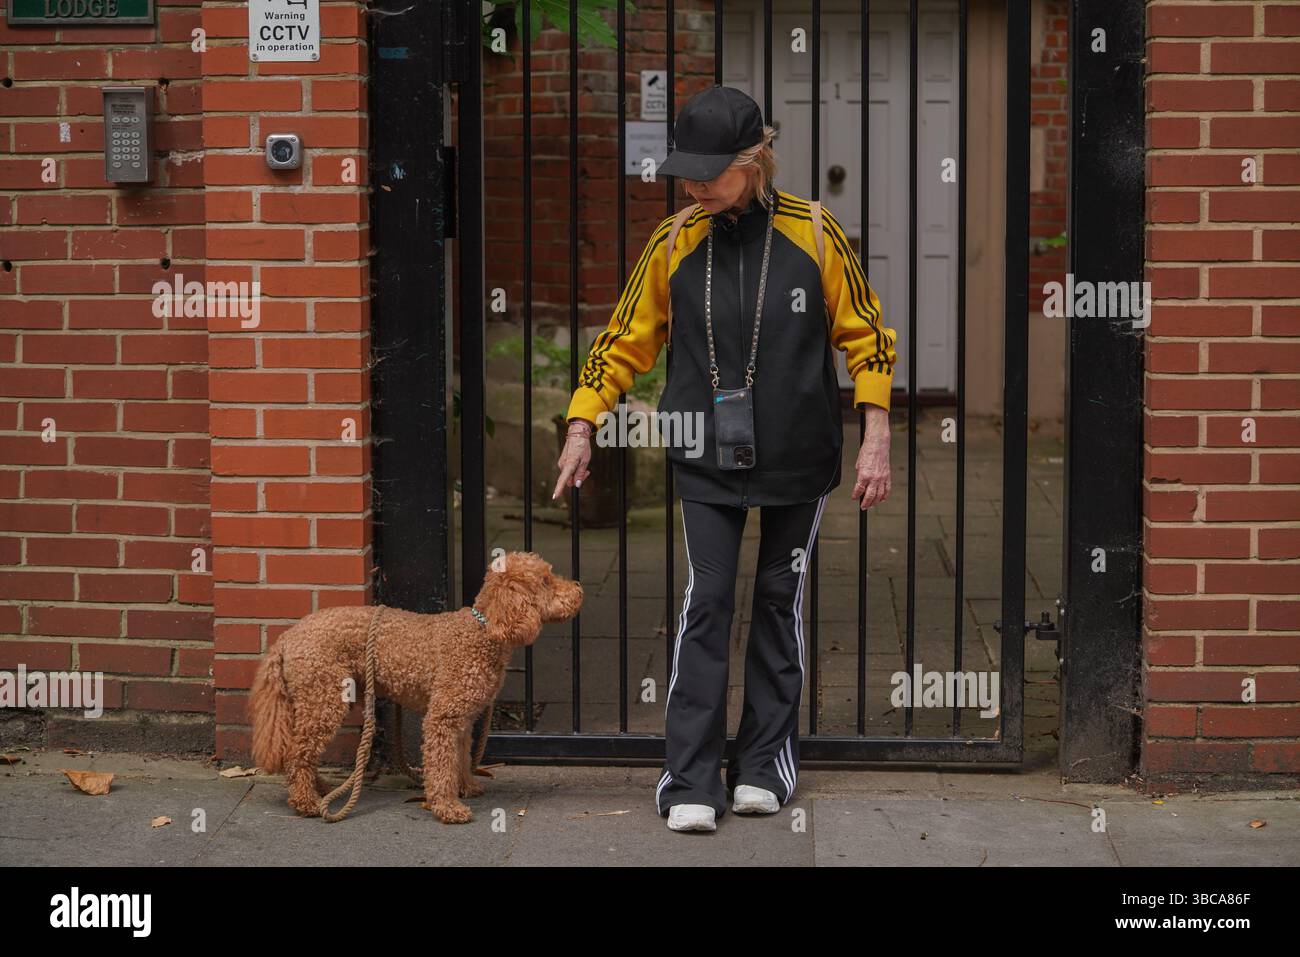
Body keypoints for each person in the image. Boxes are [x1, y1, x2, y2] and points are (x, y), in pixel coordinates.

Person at [553, 85, 897, 832]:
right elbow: (623, 341)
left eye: (711, 171)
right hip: (704, 454)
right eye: (687, 171)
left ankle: (767, 758)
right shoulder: (674, 240)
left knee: (779, 601)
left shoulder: (814, 232)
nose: (694, 184)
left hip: (798, 457)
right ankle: (690, 776)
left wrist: (877, 435)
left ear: (754, 161)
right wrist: (583, 424)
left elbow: (867, 335)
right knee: (706, 600)